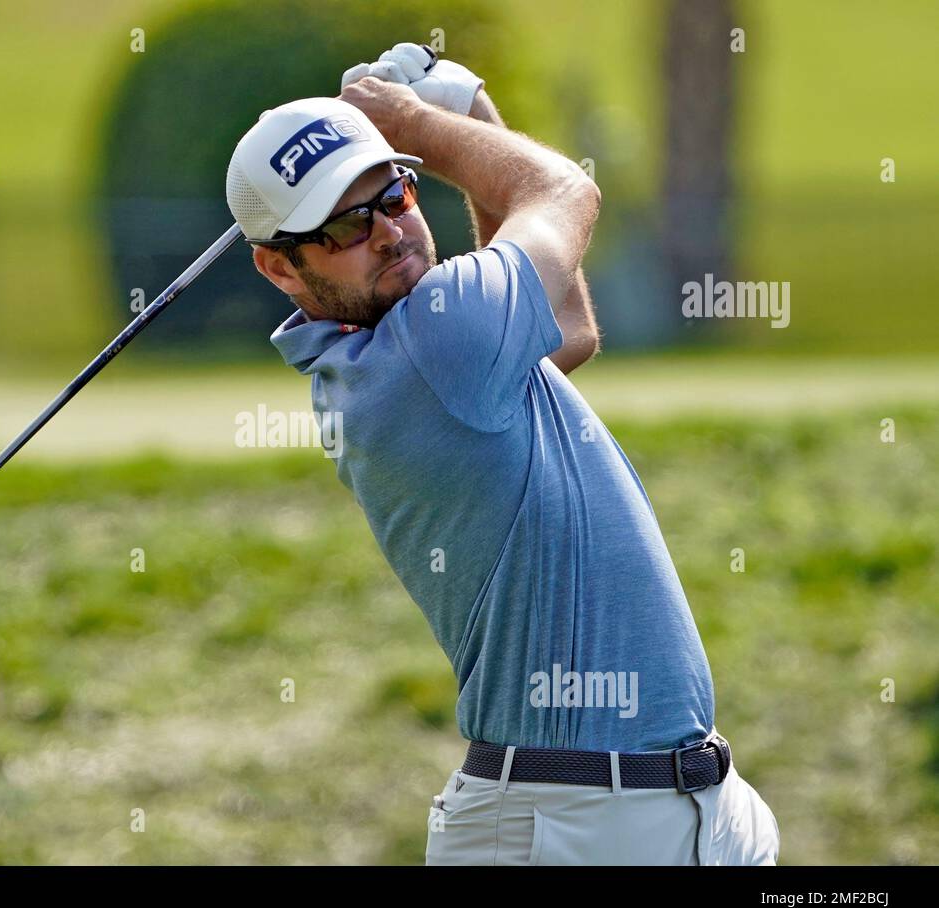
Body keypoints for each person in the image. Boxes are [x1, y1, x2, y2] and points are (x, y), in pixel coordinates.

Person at [224, 43, 780, 865]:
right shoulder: (434, 338)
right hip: (572, 825)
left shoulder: (402, 352)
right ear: (279, 266)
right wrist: (427, 122)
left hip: (680, 807)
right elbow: (564, 190)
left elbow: (571, 332)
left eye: (395, 193)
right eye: (345, 226)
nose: (386, 233)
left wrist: (467, 114)